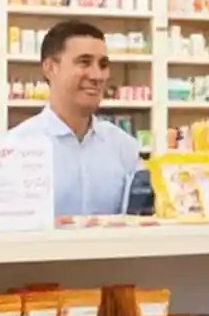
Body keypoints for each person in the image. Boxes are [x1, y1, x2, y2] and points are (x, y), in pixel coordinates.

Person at [11, 20, 141, 216]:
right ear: (50, 68)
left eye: (103, 64)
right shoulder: (16, 147)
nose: (97, 75)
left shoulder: (124, 148)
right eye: (84, 62)